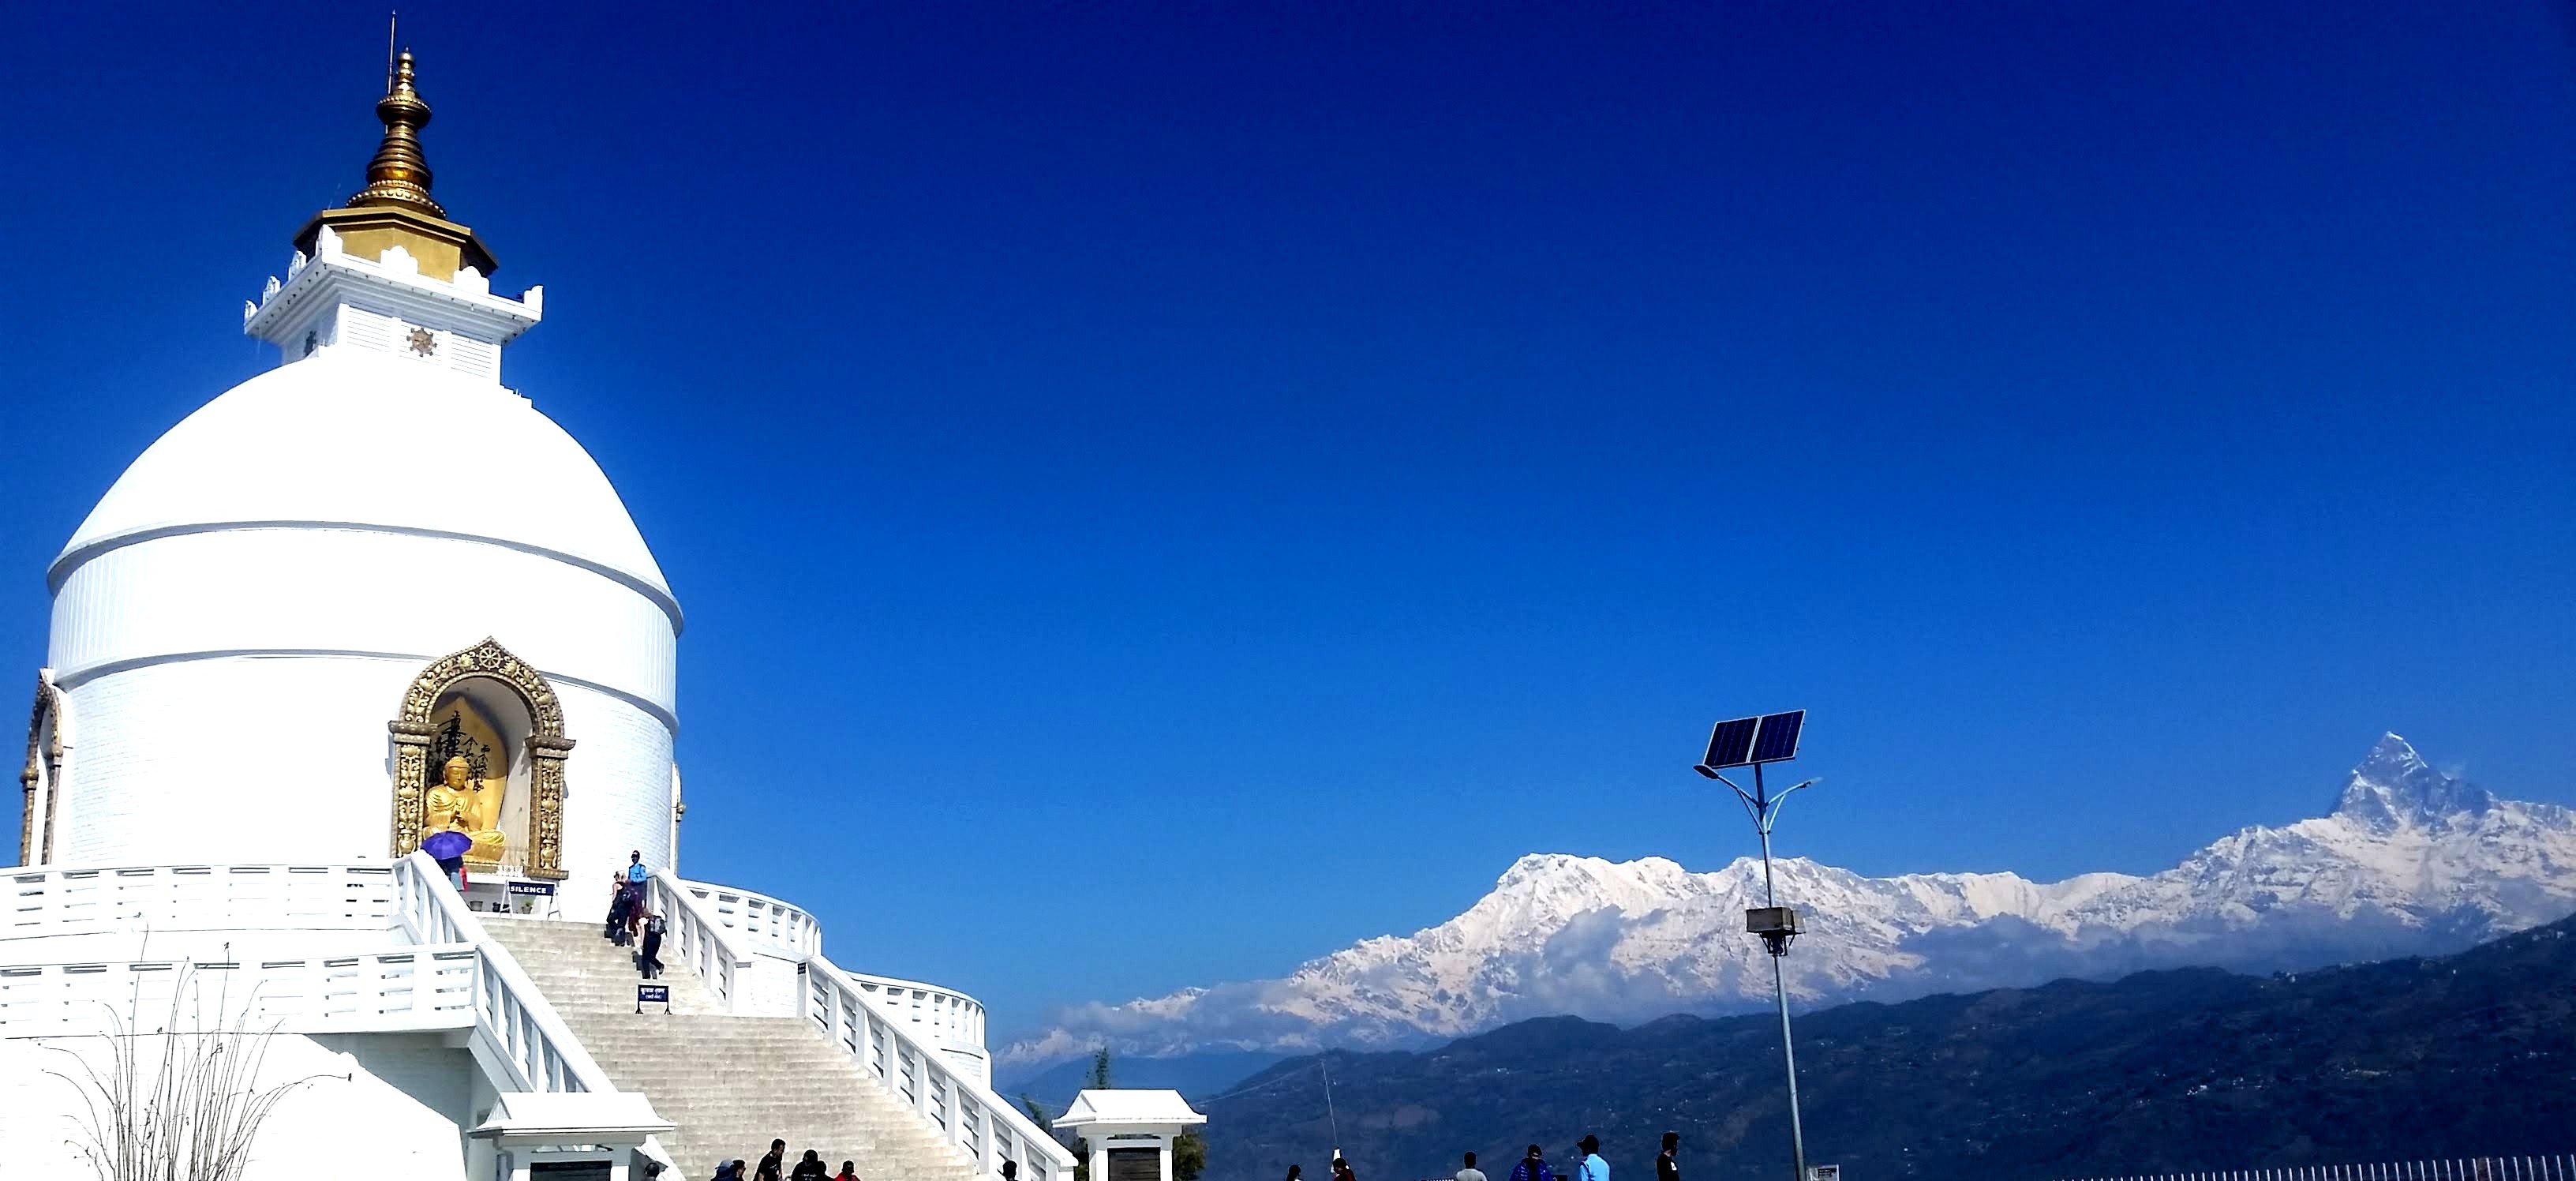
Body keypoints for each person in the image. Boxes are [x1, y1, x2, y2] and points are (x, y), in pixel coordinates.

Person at [638, 909, 667, 979]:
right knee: (651, 957)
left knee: (645, 959)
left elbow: (643, 932)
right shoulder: (654, 918)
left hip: (649, 940)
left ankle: (647, 976)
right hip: (658, 939)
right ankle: (659, 966)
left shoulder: (642, 920)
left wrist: (642, 943)